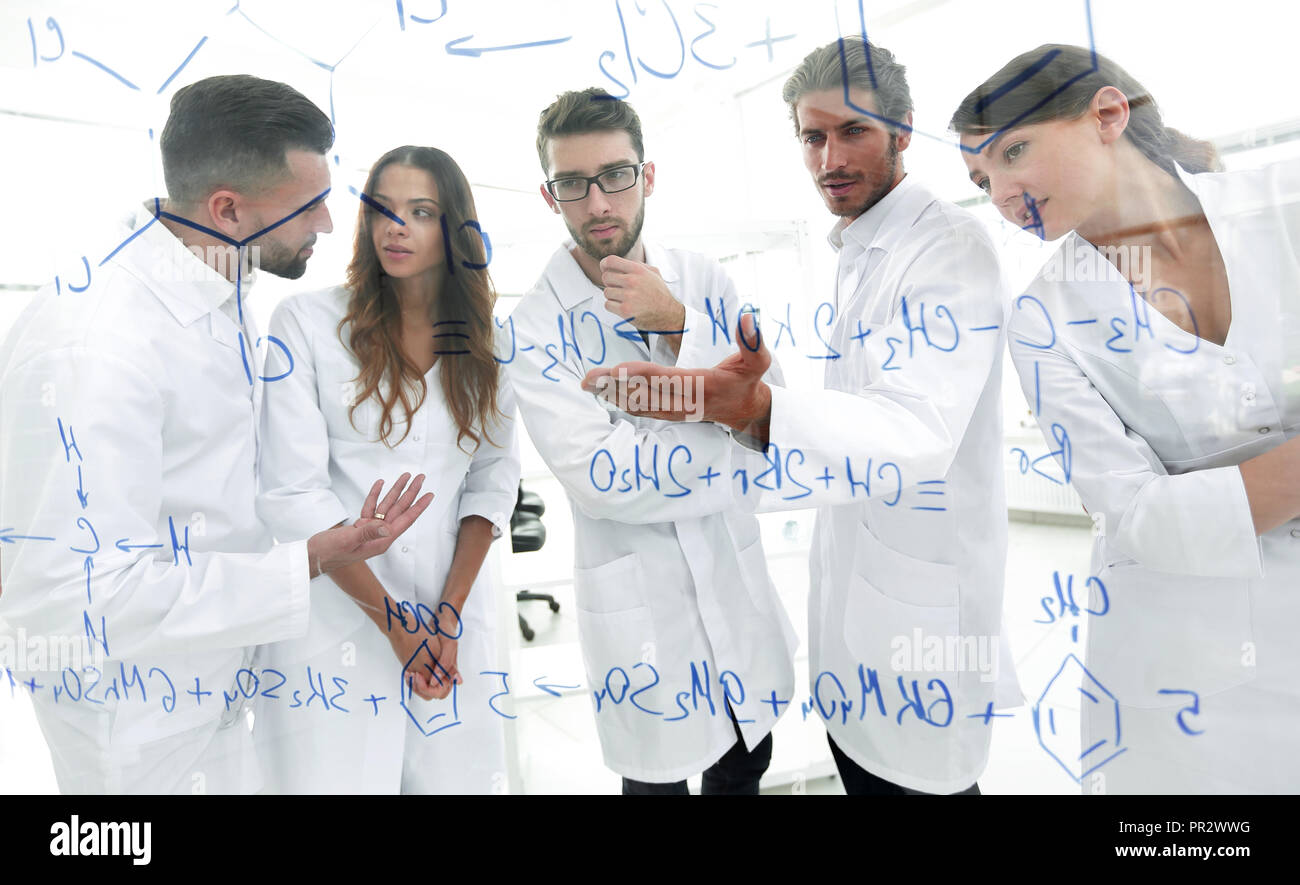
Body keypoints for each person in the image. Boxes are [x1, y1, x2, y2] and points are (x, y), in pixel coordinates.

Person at [584, 40, 1017, 795]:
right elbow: (829, 413)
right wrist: (707, 344)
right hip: (861, 620)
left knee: (918, 784)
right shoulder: (865, 247)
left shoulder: (945, 248)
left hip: (920, 629)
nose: (829, 159)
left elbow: (913, 433)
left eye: (853, 132)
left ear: (904, 130)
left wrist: (752, 406)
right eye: (811, 137)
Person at [0, 75, 431, 794]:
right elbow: (68, 596)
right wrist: (307, 562)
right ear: (226, 208)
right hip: (138, 729)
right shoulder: (95, 344)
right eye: (308, 205)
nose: (328, 222)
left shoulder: (216, 273)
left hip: (215, 686)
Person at [951, 44, 1300, 793]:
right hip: (1185, 669)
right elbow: (1138, 516)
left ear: (1108, 115)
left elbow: (1162, 500)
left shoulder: (1287, 205)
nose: (1004, 193)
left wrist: (1210, 490)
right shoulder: (1042, 317)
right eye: (983, 182)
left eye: (1015, 151)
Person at [501, 88, 797, 794]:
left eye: (615, 175)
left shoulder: (702, 280)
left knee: (745, 764)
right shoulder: (534, 328)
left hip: (733, 584)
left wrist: (678, 325)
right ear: (551, 197)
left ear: (648, 176)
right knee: (654, 782)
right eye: (573, 183)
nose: (598, 202)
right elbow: (607, 480)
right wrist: (730, 430)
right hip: (641, 616)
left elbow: (777, 410)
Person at [254, 145, 520, 793]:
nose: (394, 226)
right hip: (339, 616)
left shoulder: (490, 341)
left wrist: (446, 616)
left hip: (451, 613)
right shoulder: (308, 324)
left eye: (420, 211)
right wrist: (396, 622)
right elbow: (292, 492)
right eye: (382, 209)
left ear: (453, 227)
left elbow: (492, 478)